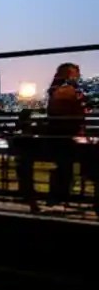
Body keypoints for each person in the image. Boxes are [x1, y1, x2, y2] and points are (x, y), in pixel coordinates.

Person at [44, 63, 89, 204]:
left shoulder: (55, 91)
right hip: (66, 137)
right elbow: (79, 111)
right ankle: (61, 195)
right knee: (70, 164)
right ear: (69, 75)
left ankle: (58, 195)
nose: (78, 76)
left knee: (64, 167)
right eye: (76, 73)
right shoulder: (68, 91)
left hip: (58, 137)